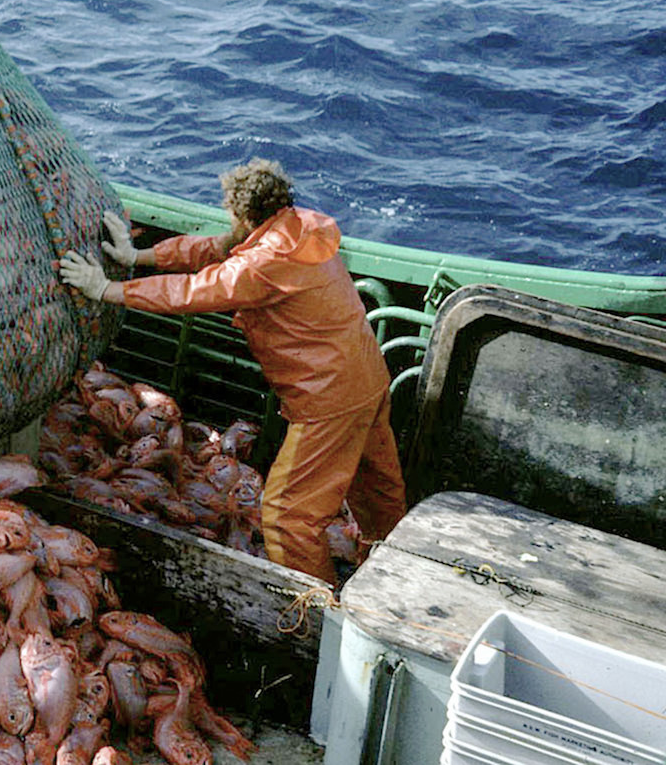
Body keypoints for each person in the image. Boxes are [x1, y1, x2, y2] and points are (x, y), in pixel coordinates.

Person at [58, 158, 406, 584]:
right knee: (377, 489)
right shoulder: (298, 228)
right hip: (369, 380)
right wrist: (139, 255)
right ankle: (394, 573)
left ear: (242, 214)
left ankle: (320, 610)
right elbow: (216, 248)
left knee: (285, 517)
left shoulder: (261, 264)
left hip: (328, 401)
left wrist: (106, 289)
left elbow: (191, 291)